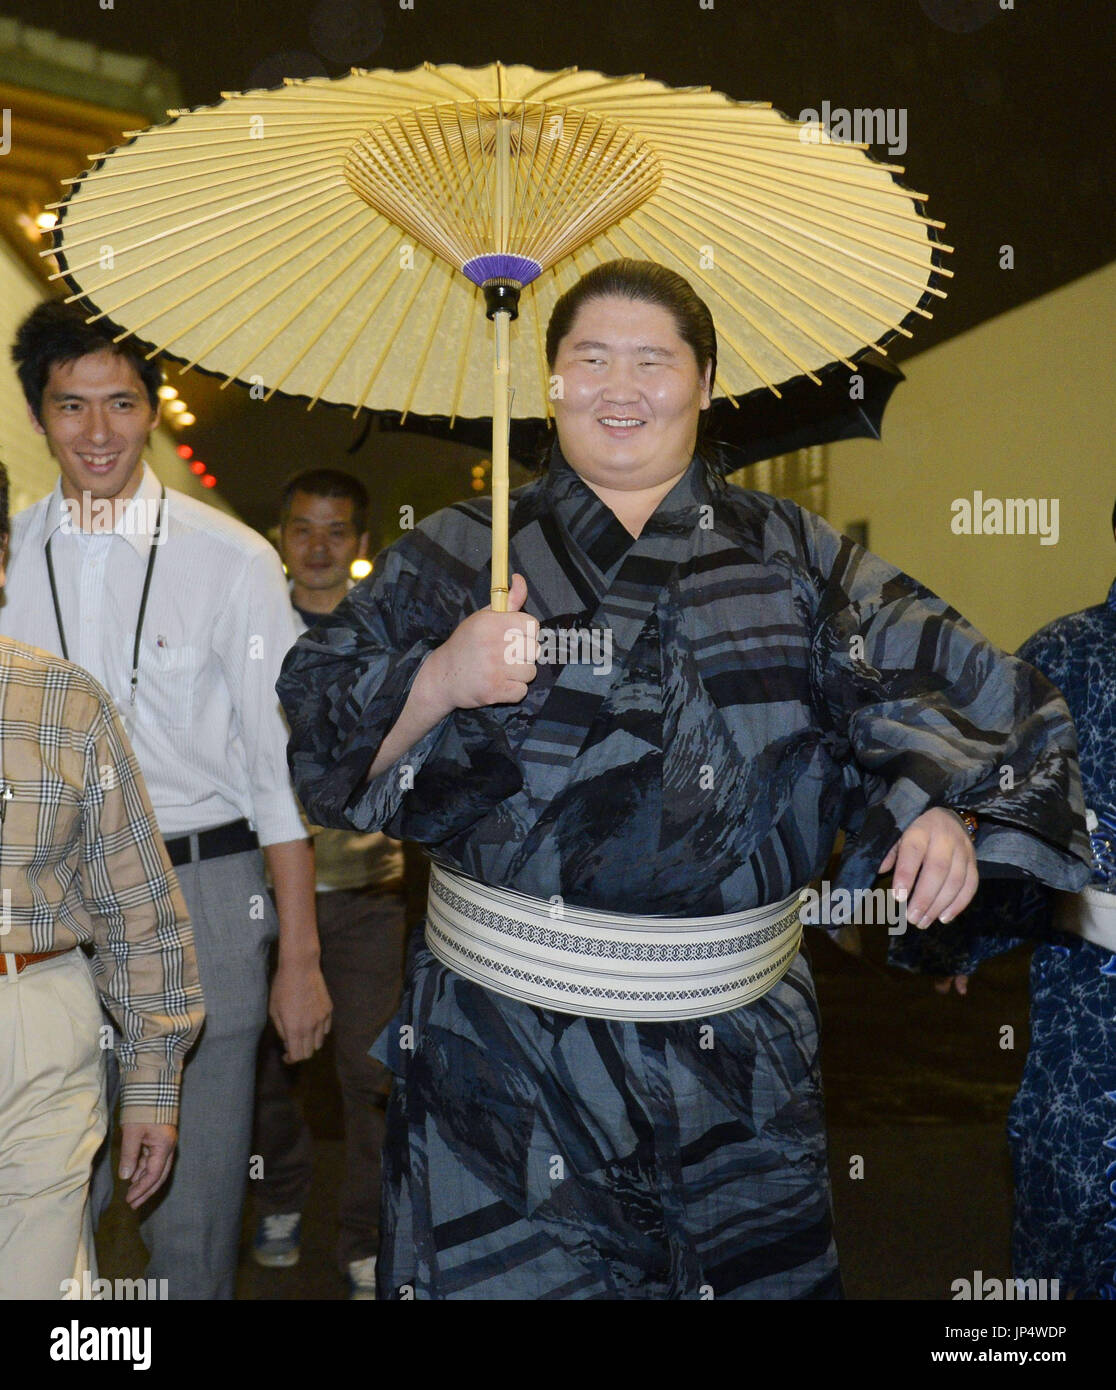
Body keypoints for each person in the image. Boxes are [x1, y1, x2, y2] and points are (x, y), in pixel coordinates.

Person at [277, 259, 1091, 1300]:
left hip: (734, 1059)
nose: (622, 386)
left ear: (706, 382)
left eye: (654, 360)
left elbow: (943, 688)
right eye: (591, 360)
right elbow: (319, 731)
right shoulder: (453, 553)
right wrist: (440, 677)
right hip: (507, 1051)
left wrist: (940, 803)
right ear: (551, 383)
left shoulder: (797, 554)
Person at [3, 302, 330, 1300]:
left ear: (154, 411)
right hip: (50, 917)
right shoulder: (8, 556)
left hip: (206, 894)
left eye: (121, 403)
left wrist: (302, 957)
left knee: (188, 1209)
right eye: (71, 407)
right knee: (53, 1202)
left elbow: (277, 774)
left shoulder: (230, 558)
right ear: (38, 416)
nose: (97, 433)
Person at [894, 496, 1116, 1299]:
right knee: (1074, 1233)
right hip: (1091, 1023)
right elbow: (991, 807)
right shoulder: (1066, 658)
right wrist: (959, 933)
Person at [0, 459, 205, 1300]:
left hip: (36, 1008)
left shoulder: (65, 703)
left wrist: (153, 1082)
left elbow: (136, 904)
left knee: (41, 1283)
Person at [250, 470, 406, 1299]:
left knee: (370, 1070)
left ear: (361, 545)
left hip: (366, 887)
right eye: (302, 528)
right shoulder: (249, 628)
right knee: (268, 1067)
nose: (317, 545)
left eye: (335, 531)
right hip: (264, 890)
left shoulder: (383, 637)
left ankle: (362, 1234)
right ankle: (278, 1196)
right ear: (281, 536)